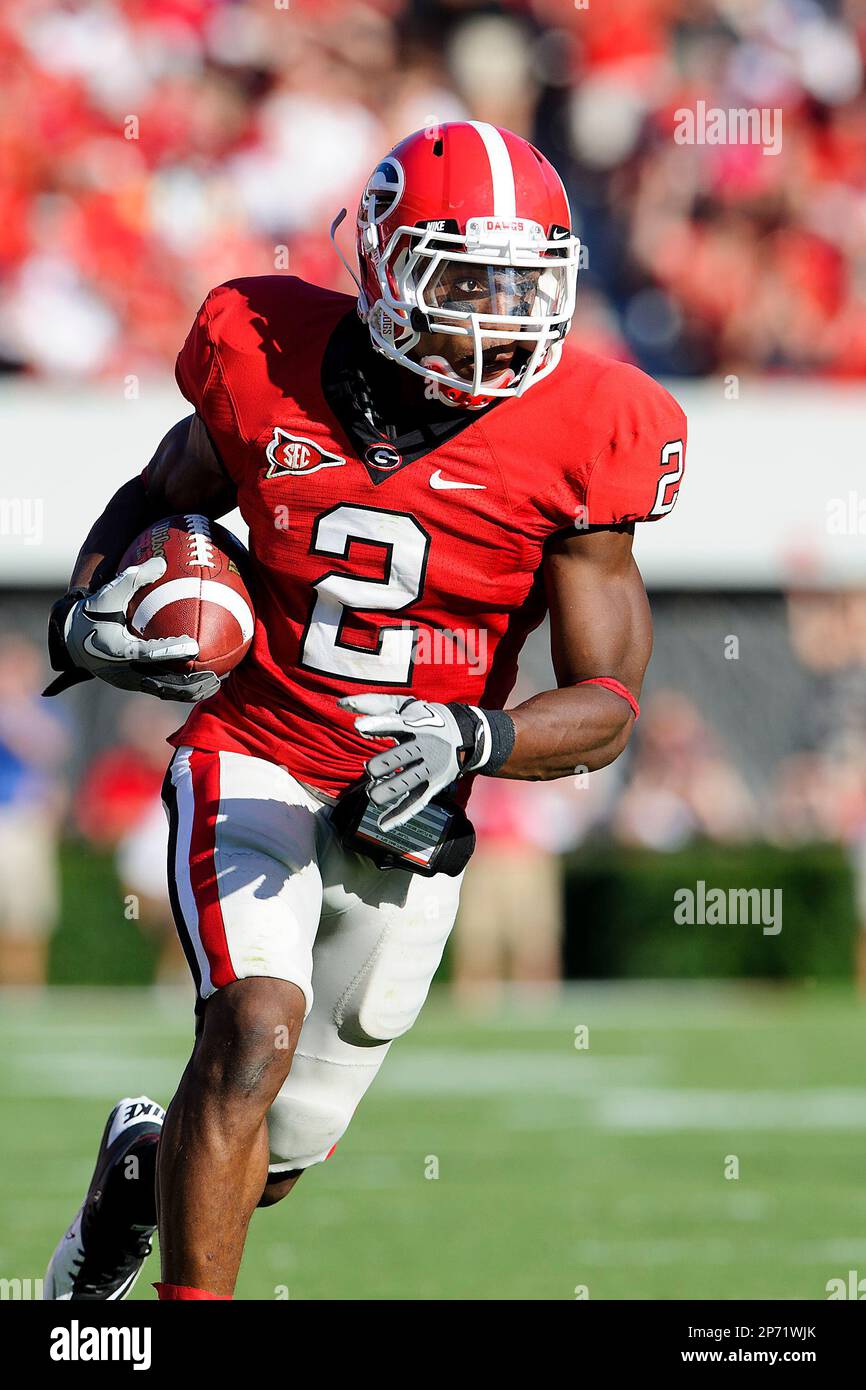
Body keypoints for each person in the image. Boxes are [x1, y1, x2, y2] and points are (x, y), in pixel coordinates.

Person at [42, 122, 686, 1301]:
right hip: (257, 746)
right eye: (468, 276)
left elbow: (606, 703)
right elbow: (162, 486)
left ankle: (138, 1172)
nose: (501, 311)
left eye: (523, 279)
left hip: (411, 799)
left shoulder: (589, 424)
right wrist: (86, 612)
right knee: (249, 1033)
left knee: (275, 1152)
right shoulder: (263, 351)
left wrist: (472, 738)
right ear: (386, 263)